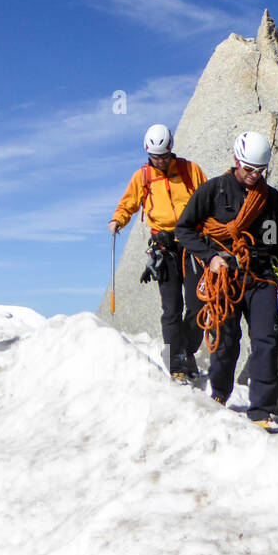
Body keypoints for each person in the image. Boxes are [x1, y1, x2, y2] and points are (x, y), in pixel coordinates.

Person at [174, 131, 278, 428]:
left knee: (266, 340)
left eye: (260, 171)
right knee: (226, 342)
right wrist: (209, 257)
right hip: (225, 277)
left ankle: (260, 411)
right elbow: (184, 229)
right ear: (236, 160)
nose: (254, 176)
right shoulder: (213, 191)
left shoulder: (270, 200)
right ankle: (219, 392)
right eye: (249, 169)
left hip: (261, 276)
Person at [108, 124, 207, 382]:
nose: (161, 161)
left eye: (164, 155)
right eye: (156, 157)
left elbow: (207, 200)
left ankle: (187, 350)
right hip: (163, 247)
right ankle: (176, 364)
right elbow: (129, 202)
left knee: (199, 305)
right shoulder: (143, 176)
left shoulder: (190, 170)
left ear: (171, 148)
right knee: (171, 308)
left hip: (191, 242)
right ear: (148, 153)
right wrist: (118, 219)